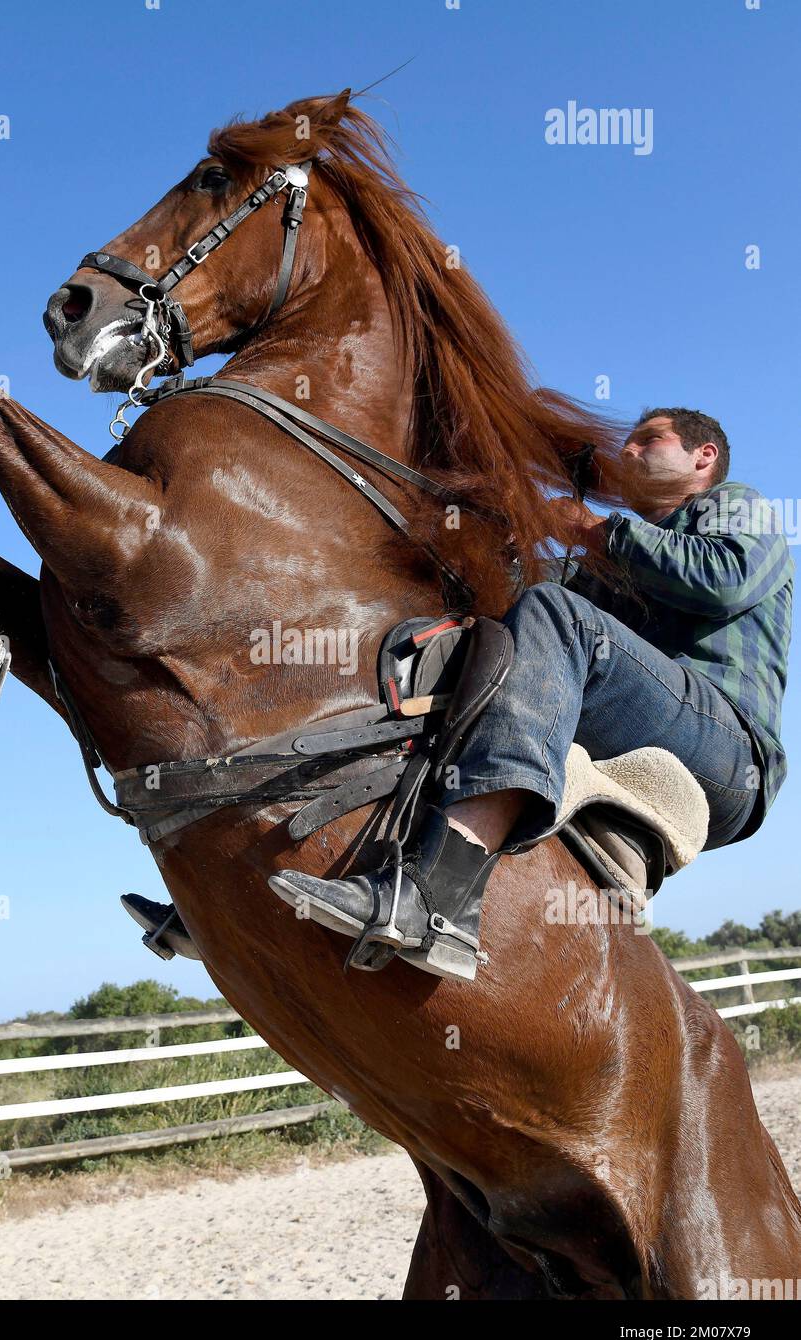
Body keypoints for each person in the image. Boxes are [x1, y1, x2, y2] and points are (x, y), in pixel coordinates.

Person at [275, 409, 794, 974]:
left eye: (649, 441)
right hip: (641, 723)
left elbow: (723, 580)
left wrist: (591, 529)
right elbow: (512, 597)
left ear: (704, 456)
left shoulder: (735, 506)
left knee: (556, 615)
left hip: (729, 749)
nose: (628, 452)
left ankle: (436, 893)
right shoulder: (605, 565)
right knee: (480, 646)